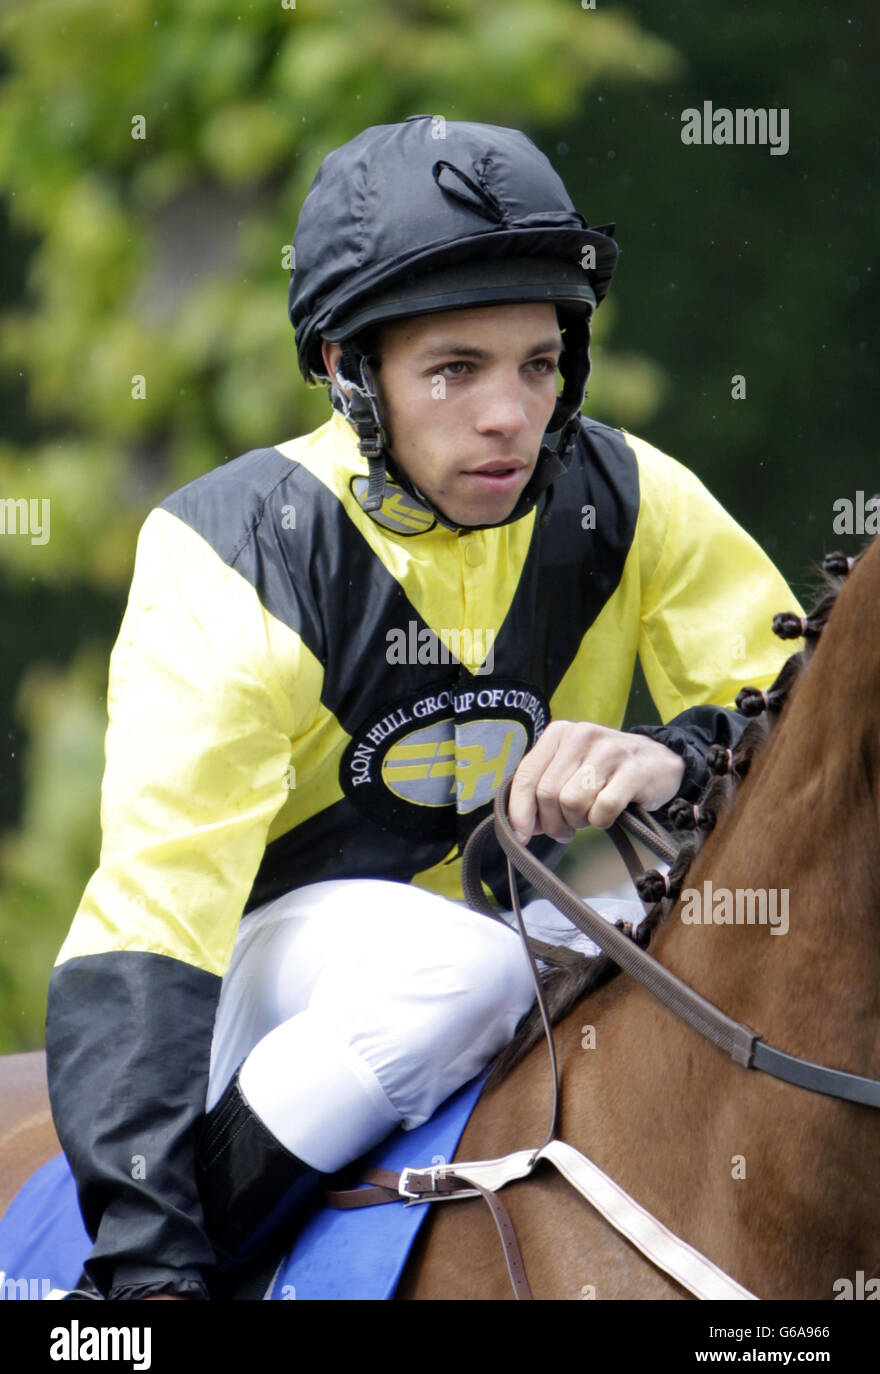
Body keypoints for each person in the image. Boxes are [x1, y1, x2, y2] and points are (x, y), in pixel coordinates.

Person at [45, 116, 801, 1301]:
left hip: (528, 946)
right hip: (263, 976)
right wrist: (147, 1246)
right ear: (351, 371)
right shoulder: (232, 546)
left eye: (538, 365)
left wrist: (674, 755)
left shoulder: (637, 495)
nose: (510, 415)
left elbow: (788, 726)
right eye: (455, 370)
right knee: (460, 971)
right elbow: (157, 920)